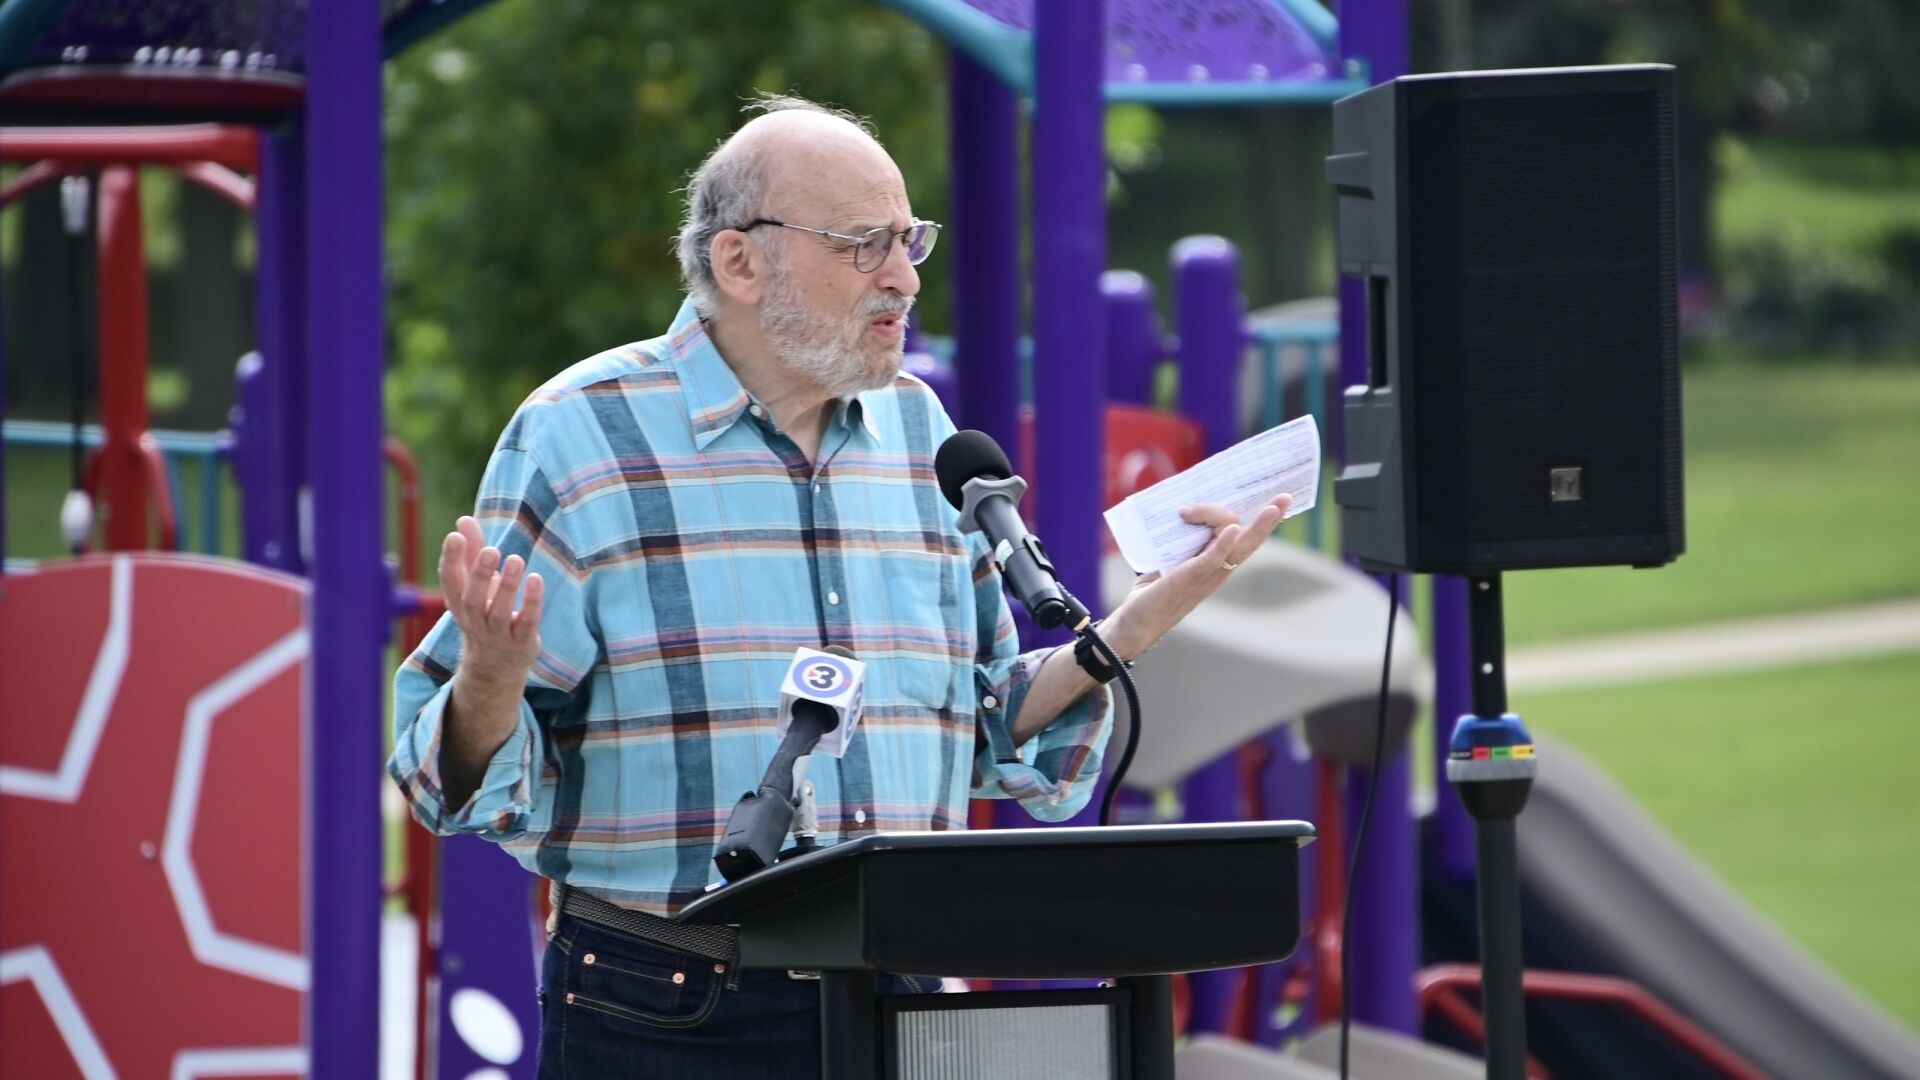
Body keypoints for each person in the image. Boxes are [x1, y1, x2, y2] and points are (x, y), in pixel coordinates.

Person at [388, 94, 1290, 1078]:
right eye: (865, 245)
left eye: (909, 241)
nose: (903, 278)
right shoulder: (582, 434)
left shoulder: (925, 437)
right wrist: (491, 677)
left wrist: (1121, 635)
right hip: (674, 1004)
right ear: (739, 262)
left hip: (905, 990)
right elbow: (443, 782)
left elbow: (985, 723)